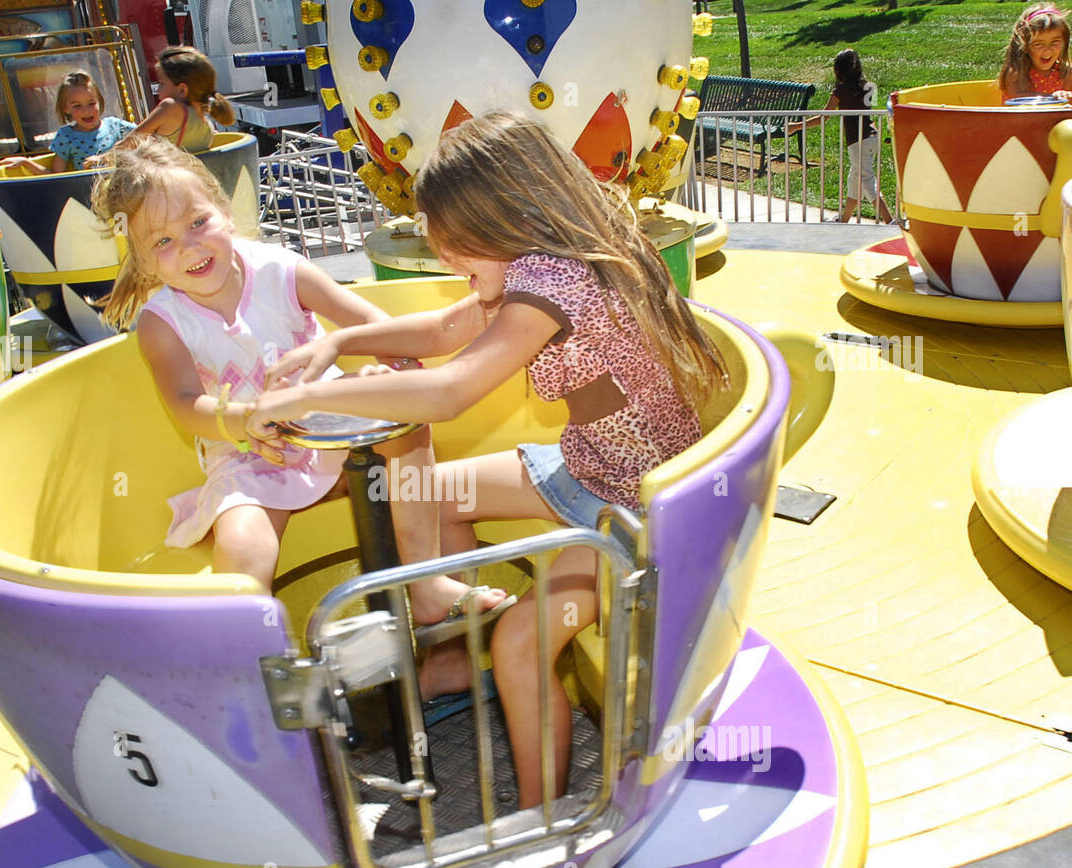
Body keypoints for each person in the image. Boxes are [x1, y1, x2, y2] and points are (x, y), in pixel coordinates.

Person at [247, 112, 728, 808]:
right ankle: (445, 639)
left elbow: (451, 388)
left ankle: (544, 817)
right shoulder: (548, 260)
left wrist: (320, 394)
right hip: (585, 466)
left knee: (521, 645)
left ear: (500, 216)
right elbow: (447, 327)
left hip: (636, 510)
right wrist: (336, 345)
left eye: (454, 247)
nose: (449, 265)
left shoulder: (557, 283)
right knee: (416, 492)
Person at [91, 136, 511, 658]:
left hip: (329, 424)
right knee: (244, 544)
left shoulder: (279, 269)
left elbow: (376, 328)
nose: (190, 247)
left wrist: (387, 367)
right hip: (251, 456)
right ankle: (254, 660)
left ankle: (425, 587)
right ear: (142, 259)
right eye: (163, 241)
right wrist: (245, 419)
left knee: (408, 423)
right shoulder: (162, 323)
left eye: (198, 223)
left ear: (224, 213)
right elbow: (183, 403)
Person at [788, 49, 894, 223]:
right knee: (855, 179)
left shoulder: (840, 90)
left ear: (838, 69)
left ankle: (890, 221)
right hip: (872, 136)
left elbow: (823, 117)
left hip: (857, 141)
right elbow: (870, 112)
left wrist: (796, 126)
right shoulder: (869, 86)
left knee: (867, 181)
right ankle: (844, 219)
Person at [85, 47, 236, 168]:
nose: (158, 91)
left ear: (182, 89)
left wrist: (102, 158)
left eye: (161, 83)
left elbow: (132, 140)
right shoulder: (204, 118)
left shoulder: (170, 108)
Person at [0, 71, 136, 174]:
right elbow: (56, 176)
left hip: (124, 191)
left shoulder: (116, 126)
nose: (86, 111)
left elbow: (148, 134)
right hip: (91, 197)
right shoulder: (67, 136)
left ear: (100, 101)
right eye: (77, 106)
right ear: (65, 108)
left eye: (91, 103)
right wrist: (26, 162)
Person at [999, 4, 1072, 100]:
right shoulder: (1017, 72)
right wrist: (1052, 97)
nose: (1047, 49)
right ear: (1024, 45)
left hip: (1056, 115)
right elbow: (1017, 98)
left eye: (1055, 42)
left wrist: (1066, 95)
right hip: (1021, 115)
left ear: (1064, 42)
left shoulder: (1065, 72)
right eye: (1039, 44)